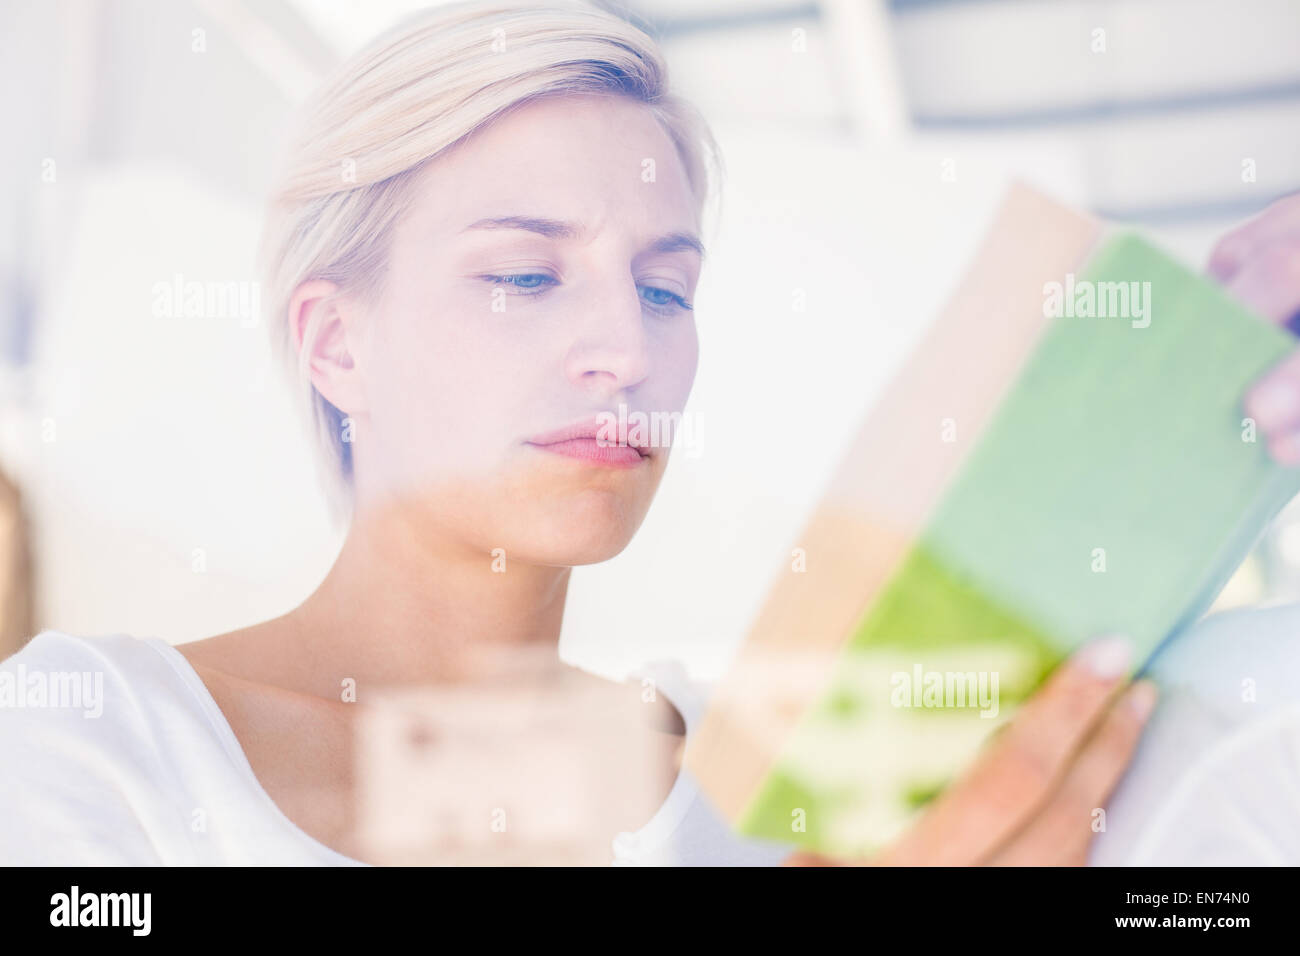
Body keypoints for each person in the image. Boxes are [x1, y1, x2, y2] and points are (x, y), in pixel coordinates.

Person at [3, 0, 1300, 866]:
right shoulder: (90, 743)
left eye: (665, 287)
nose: (624, 349)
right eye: (523, 274)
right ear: (337, 343)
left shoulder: (768, 768)